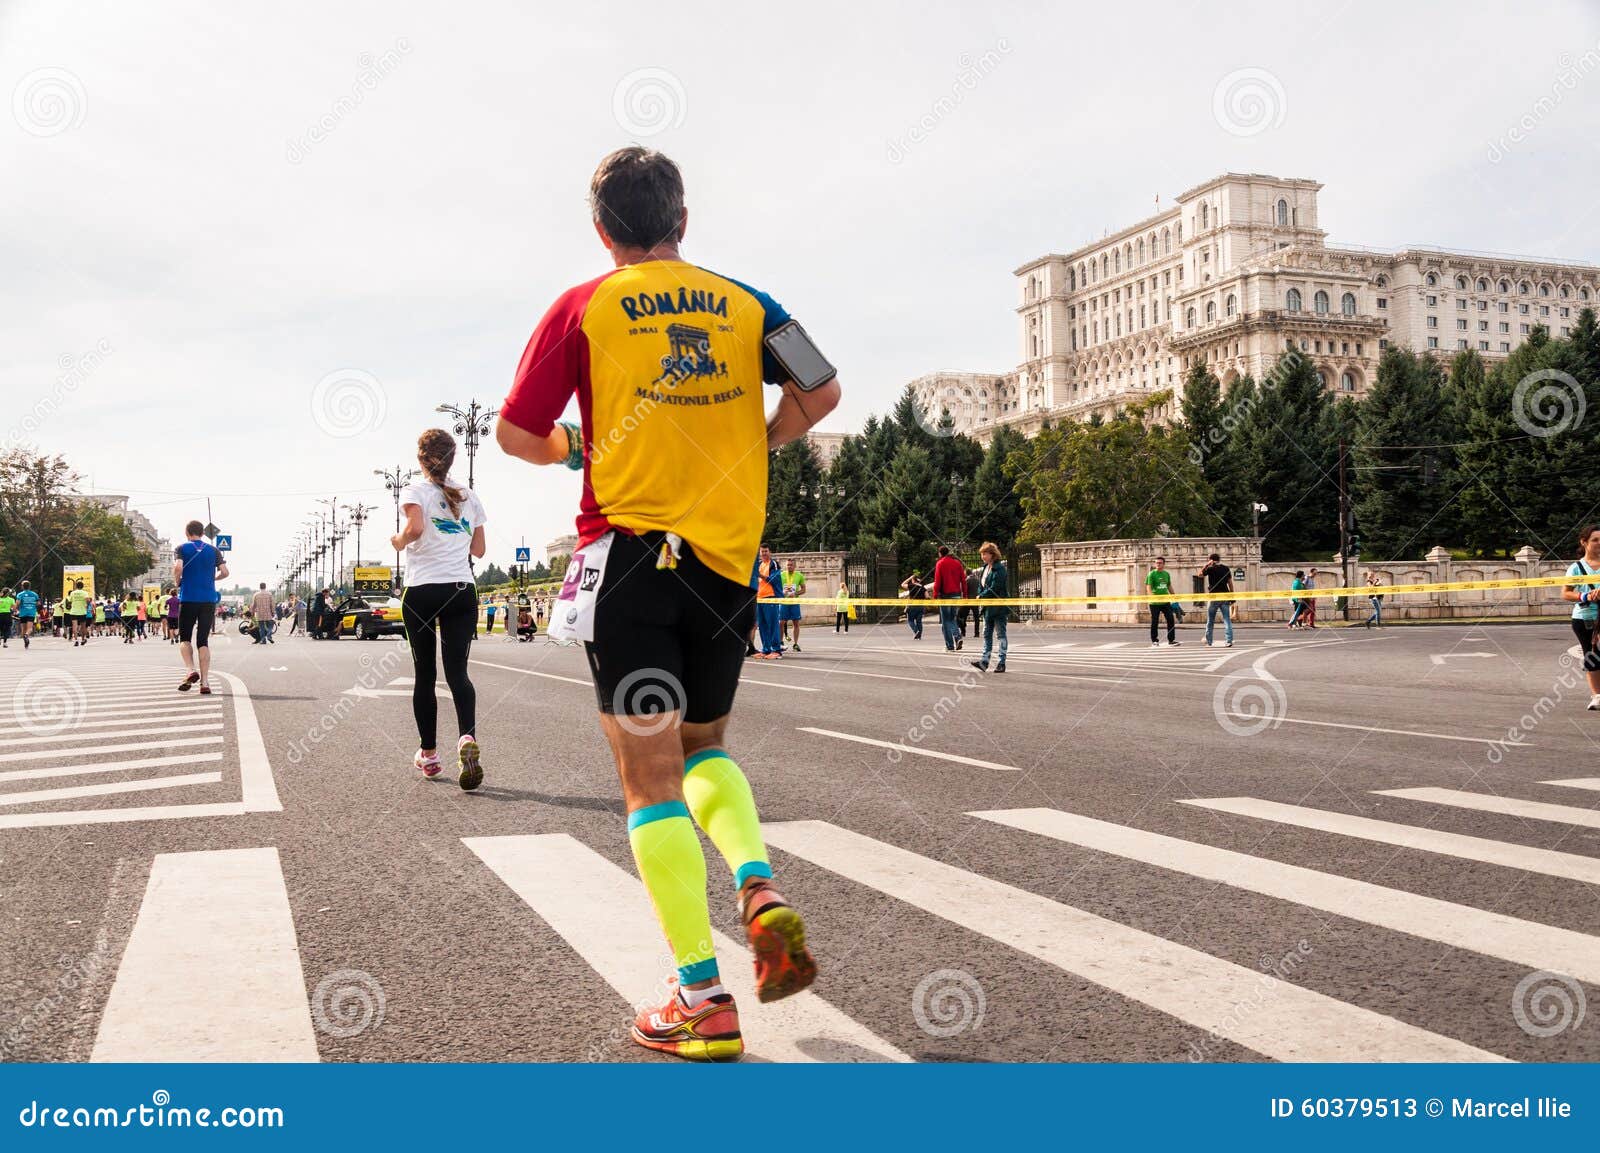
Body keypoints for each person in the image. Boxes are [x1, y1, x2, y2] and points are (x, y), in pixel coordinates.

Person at [494, 146, 837, 1061]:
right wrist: (762, 441)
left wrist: (581, 447)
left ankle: (702, 998)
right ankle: (758, 884)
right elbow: (824, 388)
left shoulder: (583, 307)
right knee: (705, 749)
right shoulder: (749, 302)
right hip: (728, 568)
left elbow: (517, 432)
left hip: (635, 563)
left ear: (602, 230)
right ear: (683, 221)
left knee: (647, 778)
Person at [392, 429, 486, 790]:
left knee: (425, 674)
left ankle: (429, 755)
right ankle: (466, 737)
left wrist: (399, 541)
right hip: (462, 590)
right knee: (458, 674)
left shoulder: (415, 491)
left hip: (422, 591)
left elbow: (414, 529)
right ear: (453, 458)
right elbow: (478, 550)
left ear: (420, 459)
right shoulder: (469, 496)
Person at [174, 521, 226, 693]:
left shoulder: (182, 548)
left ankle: (190, 670)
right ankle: (205, 683)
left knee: (185, 638)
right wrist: (213, 580)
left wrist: (177, 582)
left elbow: (178, 567)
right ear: (202, 533)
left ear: (187, 532)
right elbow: (225, 572)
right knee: (203, 641)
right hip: (208, 600)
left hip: (188, 598)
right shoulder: (214, 550)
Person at [1564, 526, 1600, 710]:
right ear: (1584, 542)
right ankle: (1597, 696)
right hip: (1584, 617)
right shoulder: (1576, 568)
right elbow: (1566, 593)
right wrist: (1585, 596)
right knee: (1592, 655)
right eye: (1595, 540)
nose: (1599, 543)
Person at [969, 542, 1009, 673]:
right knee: (987, 634)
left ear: (992, 554)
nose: (982, 556)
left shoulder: (1000, 569)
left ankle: (1001, 662)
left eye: (984, 554)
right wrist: (980, 593)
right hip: (987, 607)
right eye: (981, 554)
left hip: (998, 607)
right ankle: (984, 662)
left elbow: (995, 587)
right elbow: (982, 584)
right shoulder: (986, 567)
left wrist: (982, 595)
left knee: (1001, 635)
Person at [931, 545, 967, 651]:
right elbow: (963, 580)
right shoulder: (957, 563)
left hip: (945, 595)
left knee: (946, 621)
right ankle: (957, 637)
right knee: (952, 618)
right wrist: (964, 595)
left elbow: (937, 581)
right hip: (956, 595)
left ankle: (950, 645)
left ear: (940, 553)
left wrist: (935, 595)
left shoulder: (940, 563)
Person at [753, 545, 783, 658]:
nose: (764, 553)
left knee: (773, 624)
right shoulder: (760, 564)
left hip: (770, 597)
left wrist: (760, 575)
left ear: (769, 552)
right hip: (760, 598)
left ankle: (776, 650)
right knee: (763, 625)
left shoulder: (773, 564)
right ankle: (766, 649)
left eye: (766, 551)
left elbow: (773, 580)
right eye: (762, 551)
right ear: (760, 553)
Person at [1198, 553, 1234, 648]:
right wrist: (1232, 596)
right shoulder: (1226, 568)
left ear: (1211, 560)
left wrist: (1206, 565)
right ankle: (1229, 641)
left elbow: (1200, 575)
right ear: (1219, 559)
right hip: (1225, 596)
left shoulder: (1210, 569)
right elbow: (1230, 583)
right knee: (1227, 619)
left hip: (1213, 597)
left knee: (1210, 620)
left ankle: (1209, 642)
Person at [1146, 556, 1178, 647]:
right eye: (1156, 563)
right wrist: (1151, 596)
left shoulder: (1166, 574)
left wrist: (1174, 596)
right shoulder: (1151, 574)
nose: (1158, 564)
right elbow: (1148, 587)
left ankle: (1171, 640)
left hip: (1165, 601)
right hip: (1155, 603)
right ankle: (1154, 640)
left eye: (1160, 563)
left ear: (1163, 564)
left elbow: (1169, 586)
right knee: (1155, 621)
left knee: (1170, 619)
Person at [779, 558, 805, 653]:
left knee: (796, 623)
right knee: (781, 623)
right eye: (788, 565)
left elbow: (803, 590)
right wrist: (782, 592)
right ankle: (780, 642)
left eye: (791, 565)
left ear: (795, 566)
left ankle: (795, 644)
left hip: (794, 603)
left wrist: (796, 593)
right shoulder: (781, 575)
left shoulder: (799, 575)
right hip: (783, 602)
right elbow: (776, 589)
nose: (789, 566)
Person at [901, 570, 926, 639]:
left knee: (910, 620)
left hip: (912, 606)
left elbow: (902, 584)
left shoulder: (911, 586)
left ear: (913, 580)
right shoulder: (923, 588)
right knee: (919, 621)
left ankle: (916, 631)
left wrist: (909, 578)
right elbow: (927, 596)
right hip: (921, 606)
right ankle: (919, 635)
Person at [15, 581, 38, 649]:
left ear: (22, 586)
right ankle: (26, 636)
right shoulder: (34, 594)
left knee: (23, 629)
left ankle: (25, 641)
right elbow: (38, 603)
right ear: (29, 586)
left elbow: (18, 603)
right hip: (31, 612)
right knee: (30, 628)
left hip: (23, 613)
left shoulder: (20, 594)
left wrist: (15, 609)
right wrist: (32, 604)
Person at [67, 580, 89, 646]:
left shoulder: (72, 593)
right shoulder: (84, 593)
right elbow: (88, 600)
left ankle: (76, 640)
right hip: (82, 611)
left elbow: (69, 601)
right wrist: (86, 605)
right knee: (83, 627)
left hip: (74, 611)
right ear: (83, 586)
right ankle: (83, 639)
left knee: (74, 626)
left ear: (76, 586)